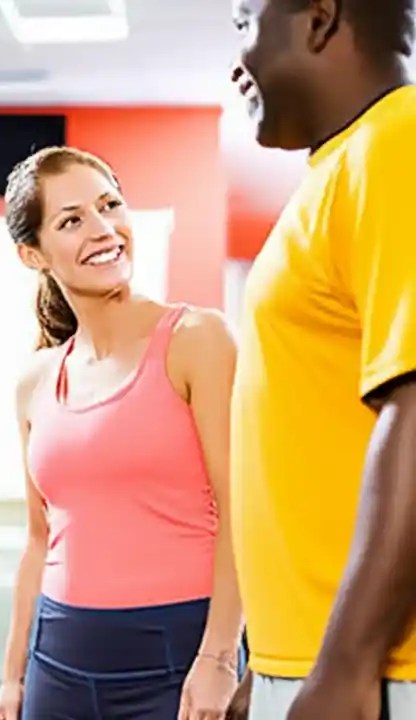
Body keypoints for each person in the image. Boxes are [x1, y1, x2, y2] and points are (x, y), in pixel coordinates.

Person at [0, 146, 244, 720]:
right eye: (71, 220)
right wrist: (13, 677)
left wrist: (220, 658)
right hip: (58, 653)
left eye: (111, 206)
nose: (104, 230)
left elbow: (241, 509)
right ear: (32, 253)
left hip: (178, 651)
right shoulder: (36, 379)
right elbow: (38, 541)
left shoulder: (197, 339)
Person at [229, 0, 416, 717]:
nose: (236, 61)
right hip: (313, 657)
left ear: (319, 19)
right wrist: (274, 659)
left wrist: (347, 661)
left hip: (380, 671)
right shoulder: (337, 171)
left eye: (245, 24)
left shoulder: (395, 143)